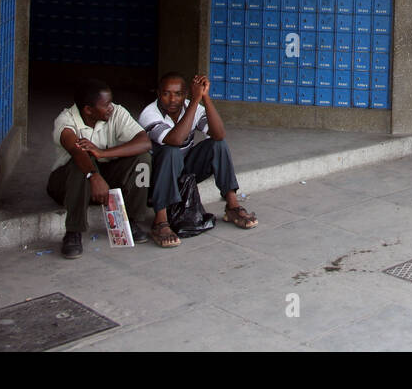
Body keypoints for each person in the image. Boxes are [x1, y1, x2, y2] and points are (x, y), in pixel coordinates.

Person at [139, 71, 257, 248]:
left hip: (183, 170)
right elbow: (175, 141)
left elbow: (219, 134)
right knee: (171, 150)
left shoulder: (192, 106)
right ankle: (160, 221)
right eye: (166, 93)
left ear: (185, 94)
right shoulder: (149, 113)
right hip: (158, 177)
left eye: (178, 94)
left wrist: (205, 98)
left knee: (218, 144)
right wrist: (195, 101)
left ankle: (232, 206)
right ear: (158, 93)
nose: (172, 100)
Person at [47, 78, 152, 259]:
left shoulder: (116, 112)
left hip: (103, 176)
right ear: (88, 110)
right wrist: (94, 176)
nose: (111, 107)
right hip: (66, 184)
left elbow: (145, 142)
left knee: (143, 159)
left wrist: (102, 153)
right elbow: (76, 151)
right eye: (106, 104)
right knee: (82, 161)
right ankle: (73, 231)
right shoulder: (66, 120)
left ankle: (132, 220)